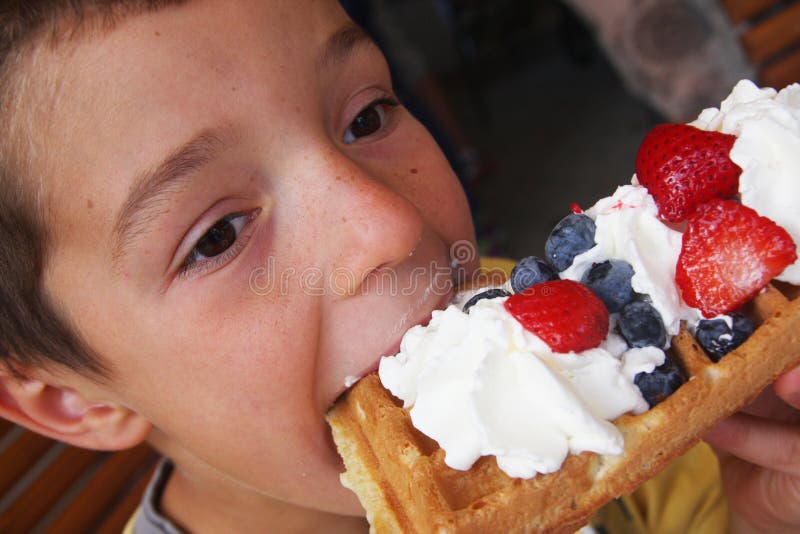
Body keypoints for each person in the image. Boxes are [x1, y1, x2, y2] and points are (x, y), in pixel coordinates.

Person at [0, 1, 796, 532]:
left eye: (367, 115)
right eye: (217, 237)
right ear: (68, 398)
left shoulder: (506, 304)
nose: (389, 226)